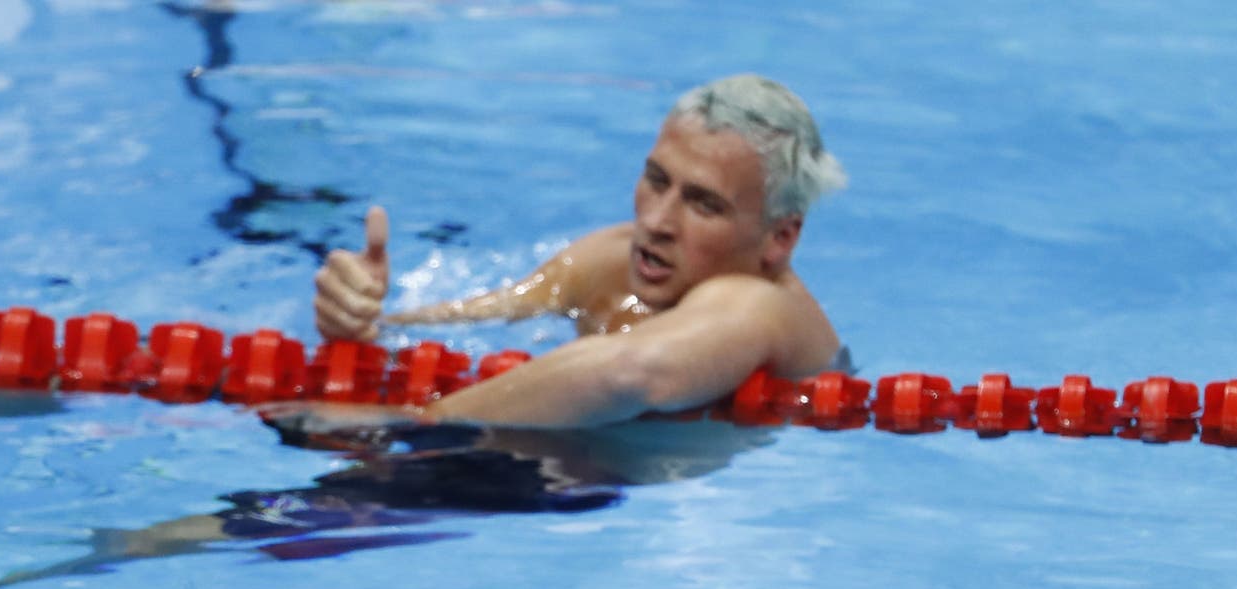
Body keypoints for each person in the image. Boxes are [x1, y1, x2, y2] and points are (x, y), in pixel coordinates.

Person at [310, 75, 850, 428]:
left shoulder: (759, 303)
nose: (656, 221)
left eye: (703, 205)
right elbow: (464, 321)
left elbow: (628, 375)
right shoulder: (609, 260)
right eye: (656, 180)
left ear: (781, 238)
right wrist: (358, 322)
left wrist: (412, 427)